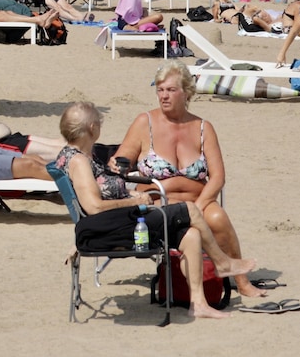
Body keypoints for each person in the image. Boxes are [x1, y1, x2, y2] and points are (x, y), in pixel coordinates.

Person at [56, 101, 256, 318]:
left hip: (115, 220)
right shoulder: (78, 161)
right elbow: (94, 207)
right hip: (113, 227)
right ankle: (222, 262)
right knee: (188, 210)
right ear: (93, 129)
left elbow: (100, 195)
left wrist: (132, 195)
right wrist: (133, 202)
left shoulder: (82, 156)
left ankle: (198, 304)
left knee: (190, 235)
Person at [110, 62, 264, 298]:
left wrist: (199, 206)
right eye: (160, 90)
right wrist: (117, 162)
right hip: (159, 202)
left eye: (171, 90)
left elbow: (218, 176)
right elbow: (123, 158)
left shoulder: (203, 127)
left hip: (198, 199)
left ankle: (241, 282)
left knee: (218, 217)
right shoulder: (145, 123)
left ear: (186, 92)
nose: (164, 96)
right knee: (189, 218)